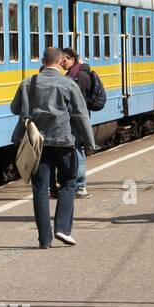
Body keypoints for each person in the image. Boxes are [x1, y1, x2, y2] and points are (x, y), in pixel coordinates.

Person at [11, 47, 97, 248]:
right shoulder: (68, 84)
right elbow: (80, 115)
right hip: (64, 142)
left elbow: (15, 108)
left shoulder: (28, 82)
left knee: (40, 188)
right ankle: (62, 229)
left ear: (43, 60)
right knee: (68, 182)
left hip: (37, 144)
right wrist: (90, 142)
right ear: (60, 62)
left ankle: (44, 239)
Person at [60, 47, 95, 198]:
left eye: (64, 59)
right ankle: (76, 185)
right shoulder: (74, 74)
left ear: (72, 60)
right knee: (76, 151)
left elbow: (77, 103)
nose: (61, 63)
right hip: (76, 118)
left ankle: (81, 186)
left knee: (78, 152)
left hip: (77, 119)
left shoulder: (79, 77)